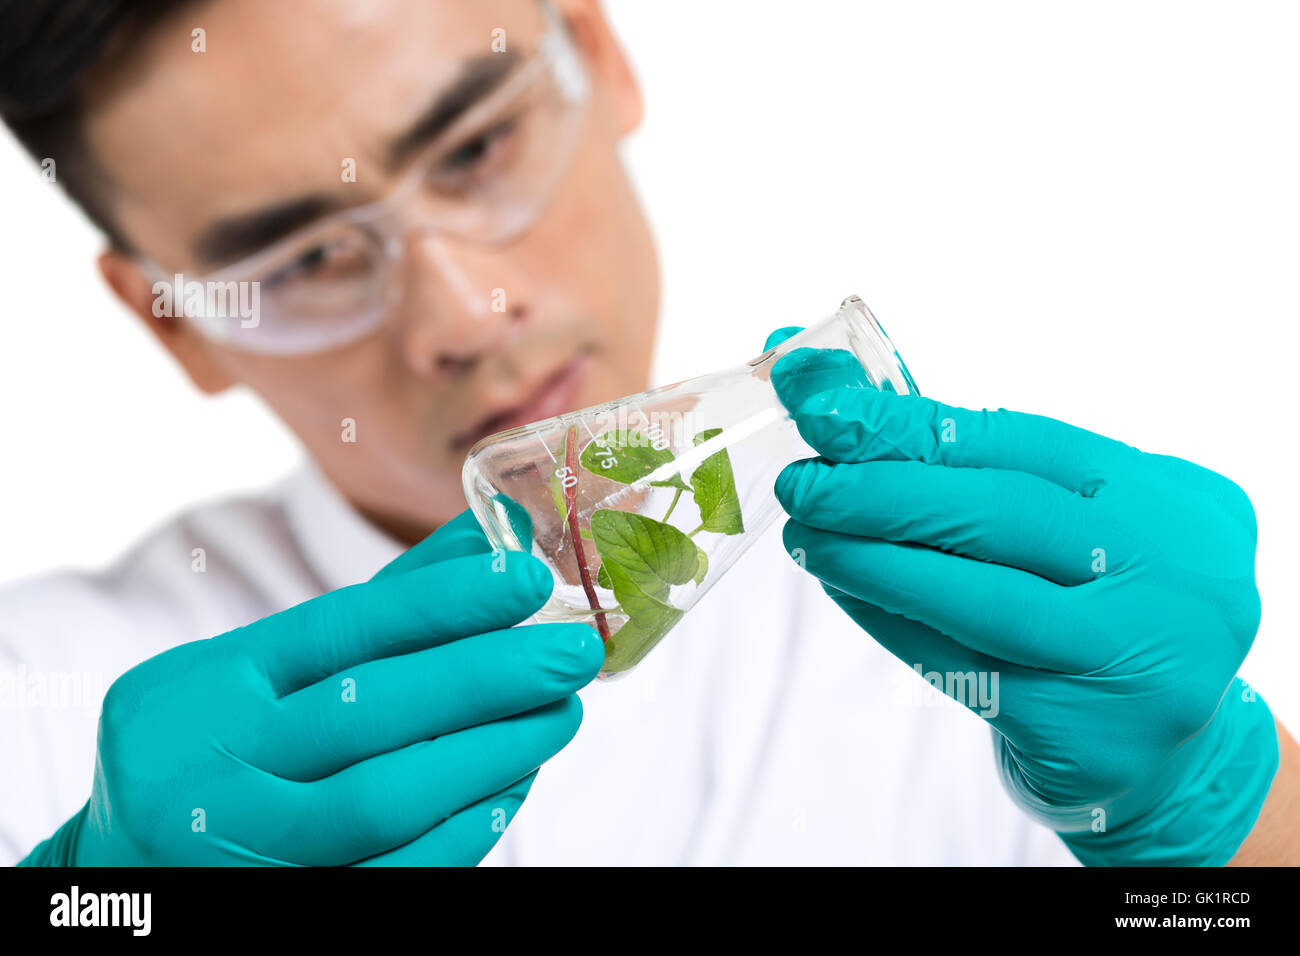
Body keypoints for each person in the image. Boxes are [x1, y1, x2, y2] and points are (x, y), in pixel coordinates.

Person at [1, 0, 1295, 866]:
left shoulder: (988, 626)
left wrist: (1211, 801)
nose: (466, 310)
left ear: (599, 52)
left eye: (477, 145)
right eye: (307, 258)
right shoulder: (51, 708)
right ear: (173, 324)